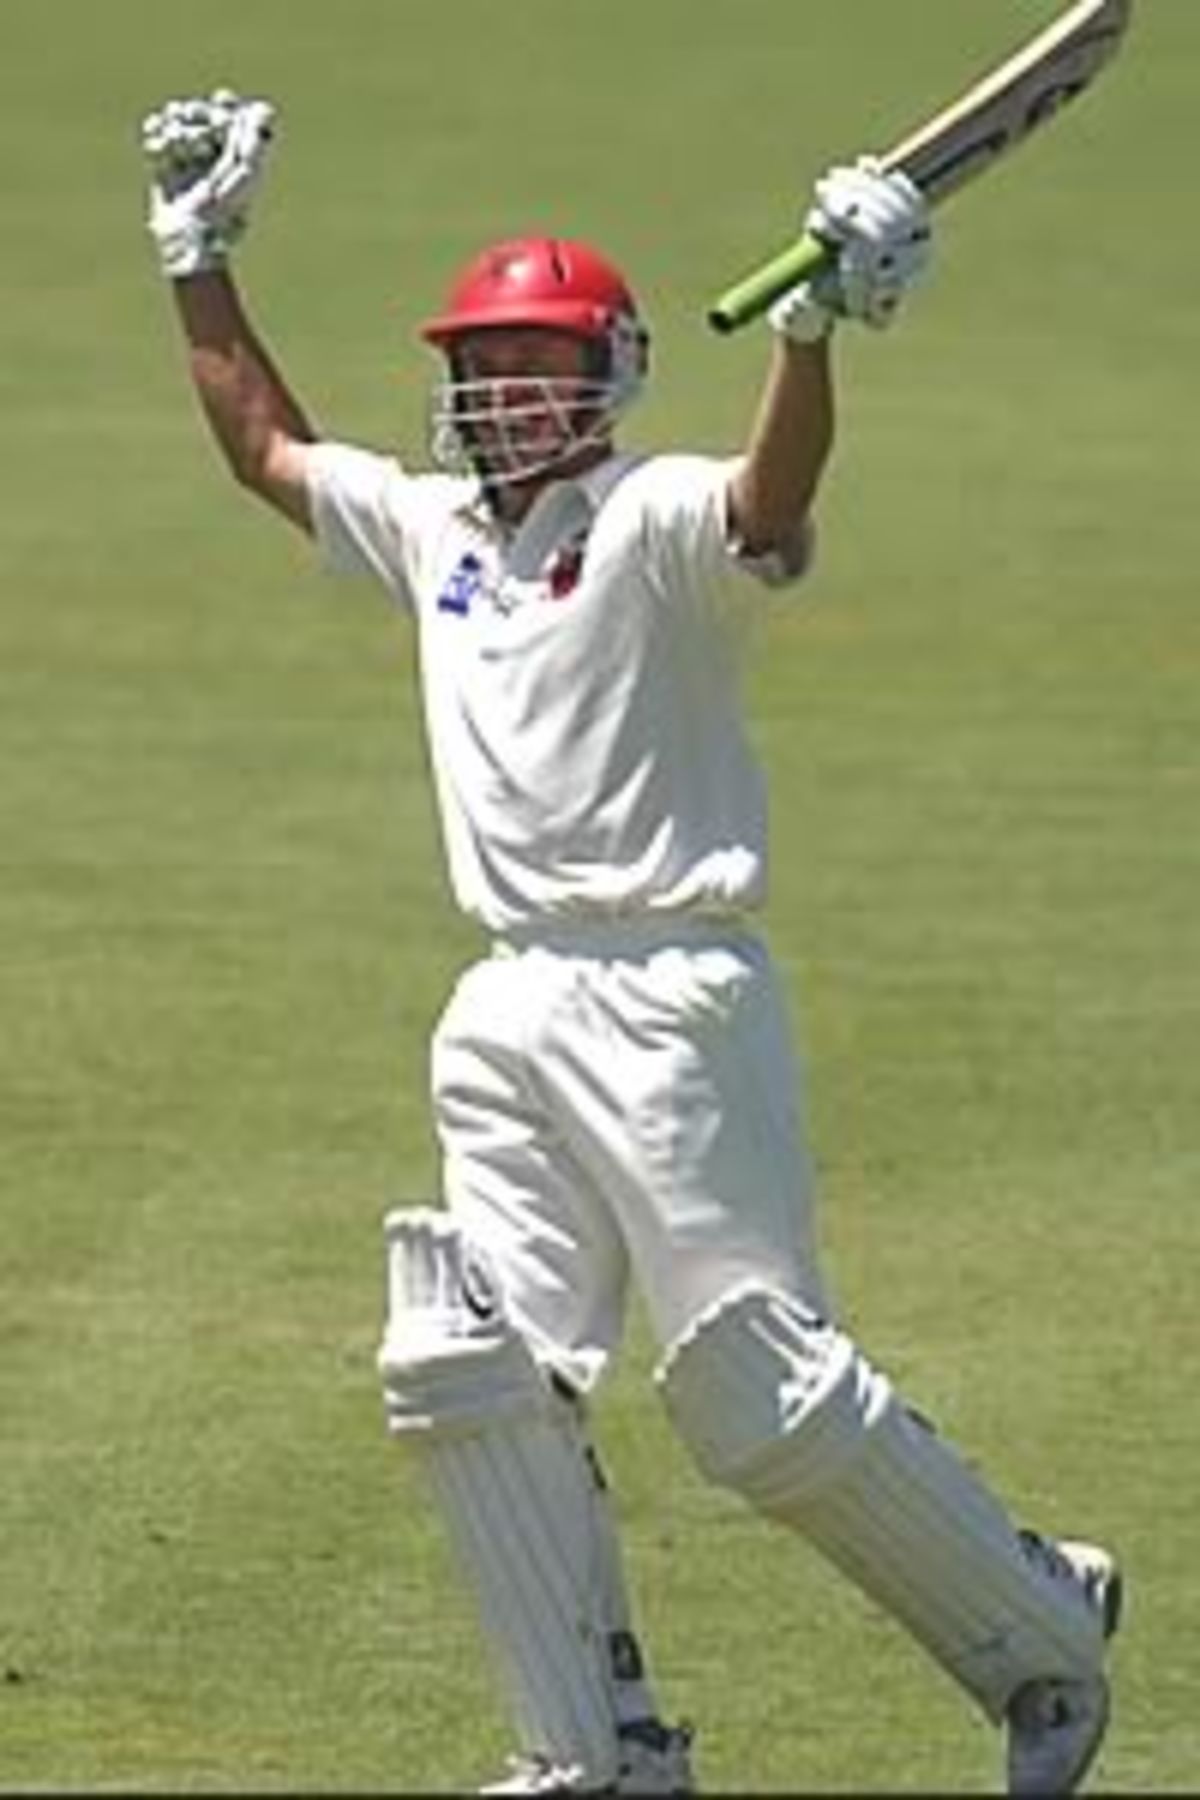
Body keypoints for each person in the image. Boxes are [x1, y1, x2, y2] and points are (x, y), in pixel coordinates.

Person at [140, 90, 1122, 1796]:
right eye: (485, 362)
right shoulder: (438, 532)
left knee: (755, 1391)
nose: (508, 390)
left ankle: (1045, 1634)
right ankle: (600, 1753)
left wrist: (809, 333)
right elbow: (266, 452)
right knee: (472, 1369)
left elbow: (767, 502)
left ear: (608, 377)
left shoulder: (657, 516)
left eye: (542, 361)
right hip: (506, 997)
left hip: (672, 994)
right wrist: (192, 253)